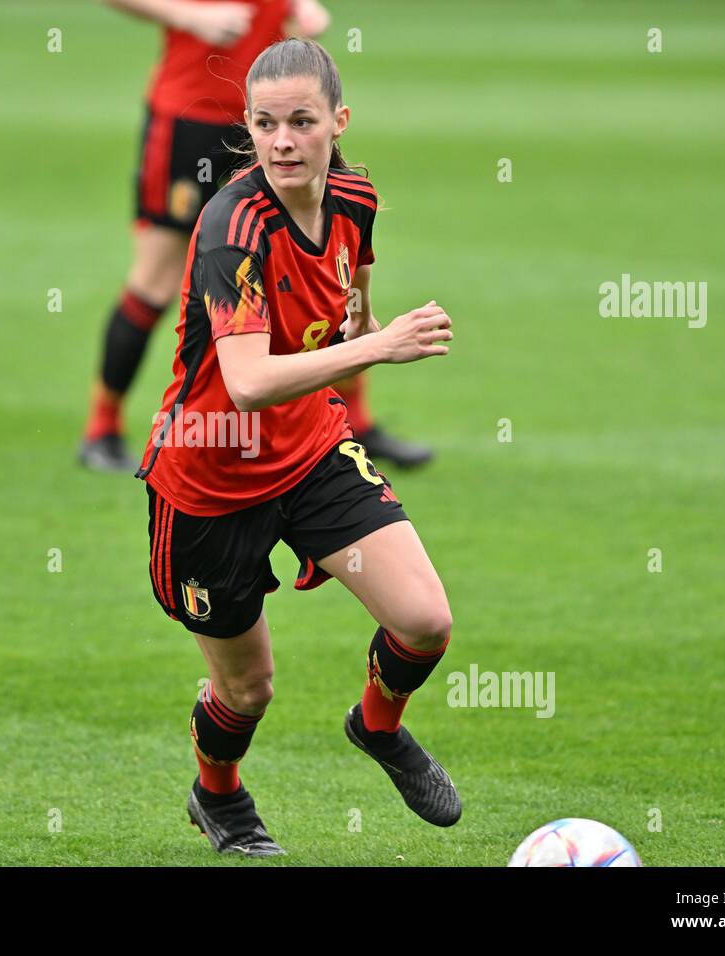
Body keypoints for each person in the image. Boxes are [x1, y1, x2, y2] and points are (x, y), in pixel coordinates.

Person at [135, 37, 460, 856]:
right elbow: (245, 382)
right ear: (247, 127)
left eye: (302, 122)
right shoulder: (229, 226)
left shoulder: (355, 195)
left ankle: (378, 727)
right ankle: (219, 796)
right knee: (247, 690)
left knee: (425, 621)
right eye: (266, 123)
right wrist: (376, 352)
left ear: (337, 122)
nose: (282, 140)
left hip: (310, 450)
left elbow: (355, 297)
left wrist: (371, 332)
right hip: (207, 481)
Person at [80, 0, 435, 473]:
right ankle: (102, 428)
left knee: (327, 262)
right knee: (157, 280)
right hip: (193, 116)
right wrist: (190, 16)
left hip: (279, 116)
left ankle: (355, 422)